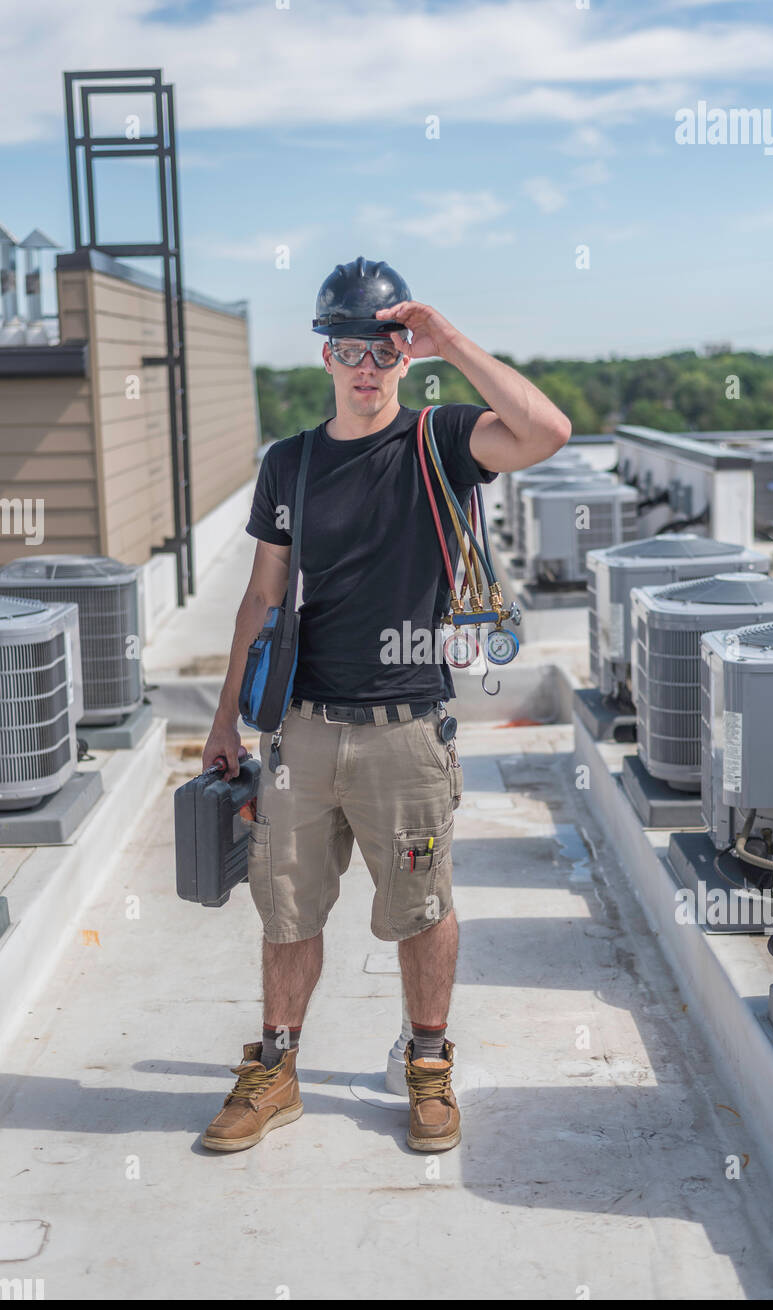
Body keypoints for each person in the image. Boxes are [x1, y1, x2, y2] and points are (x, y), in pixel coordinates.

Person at [199, 256, 570, 1155]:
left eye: (386, 348)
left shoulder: (438, 440)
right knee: (285, 910)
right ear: (325, 354)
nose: (366, 365)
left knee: (421, 908)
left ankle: (429, 1067)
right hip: (300, 732)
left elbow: (547, 430)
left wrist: (450, 340)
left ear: (405, 356)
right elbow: (260, 596)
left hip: (406, 730)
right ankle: (276, 1069)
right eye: (350, 348)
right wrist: (223, 721)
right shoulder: (289, 464)